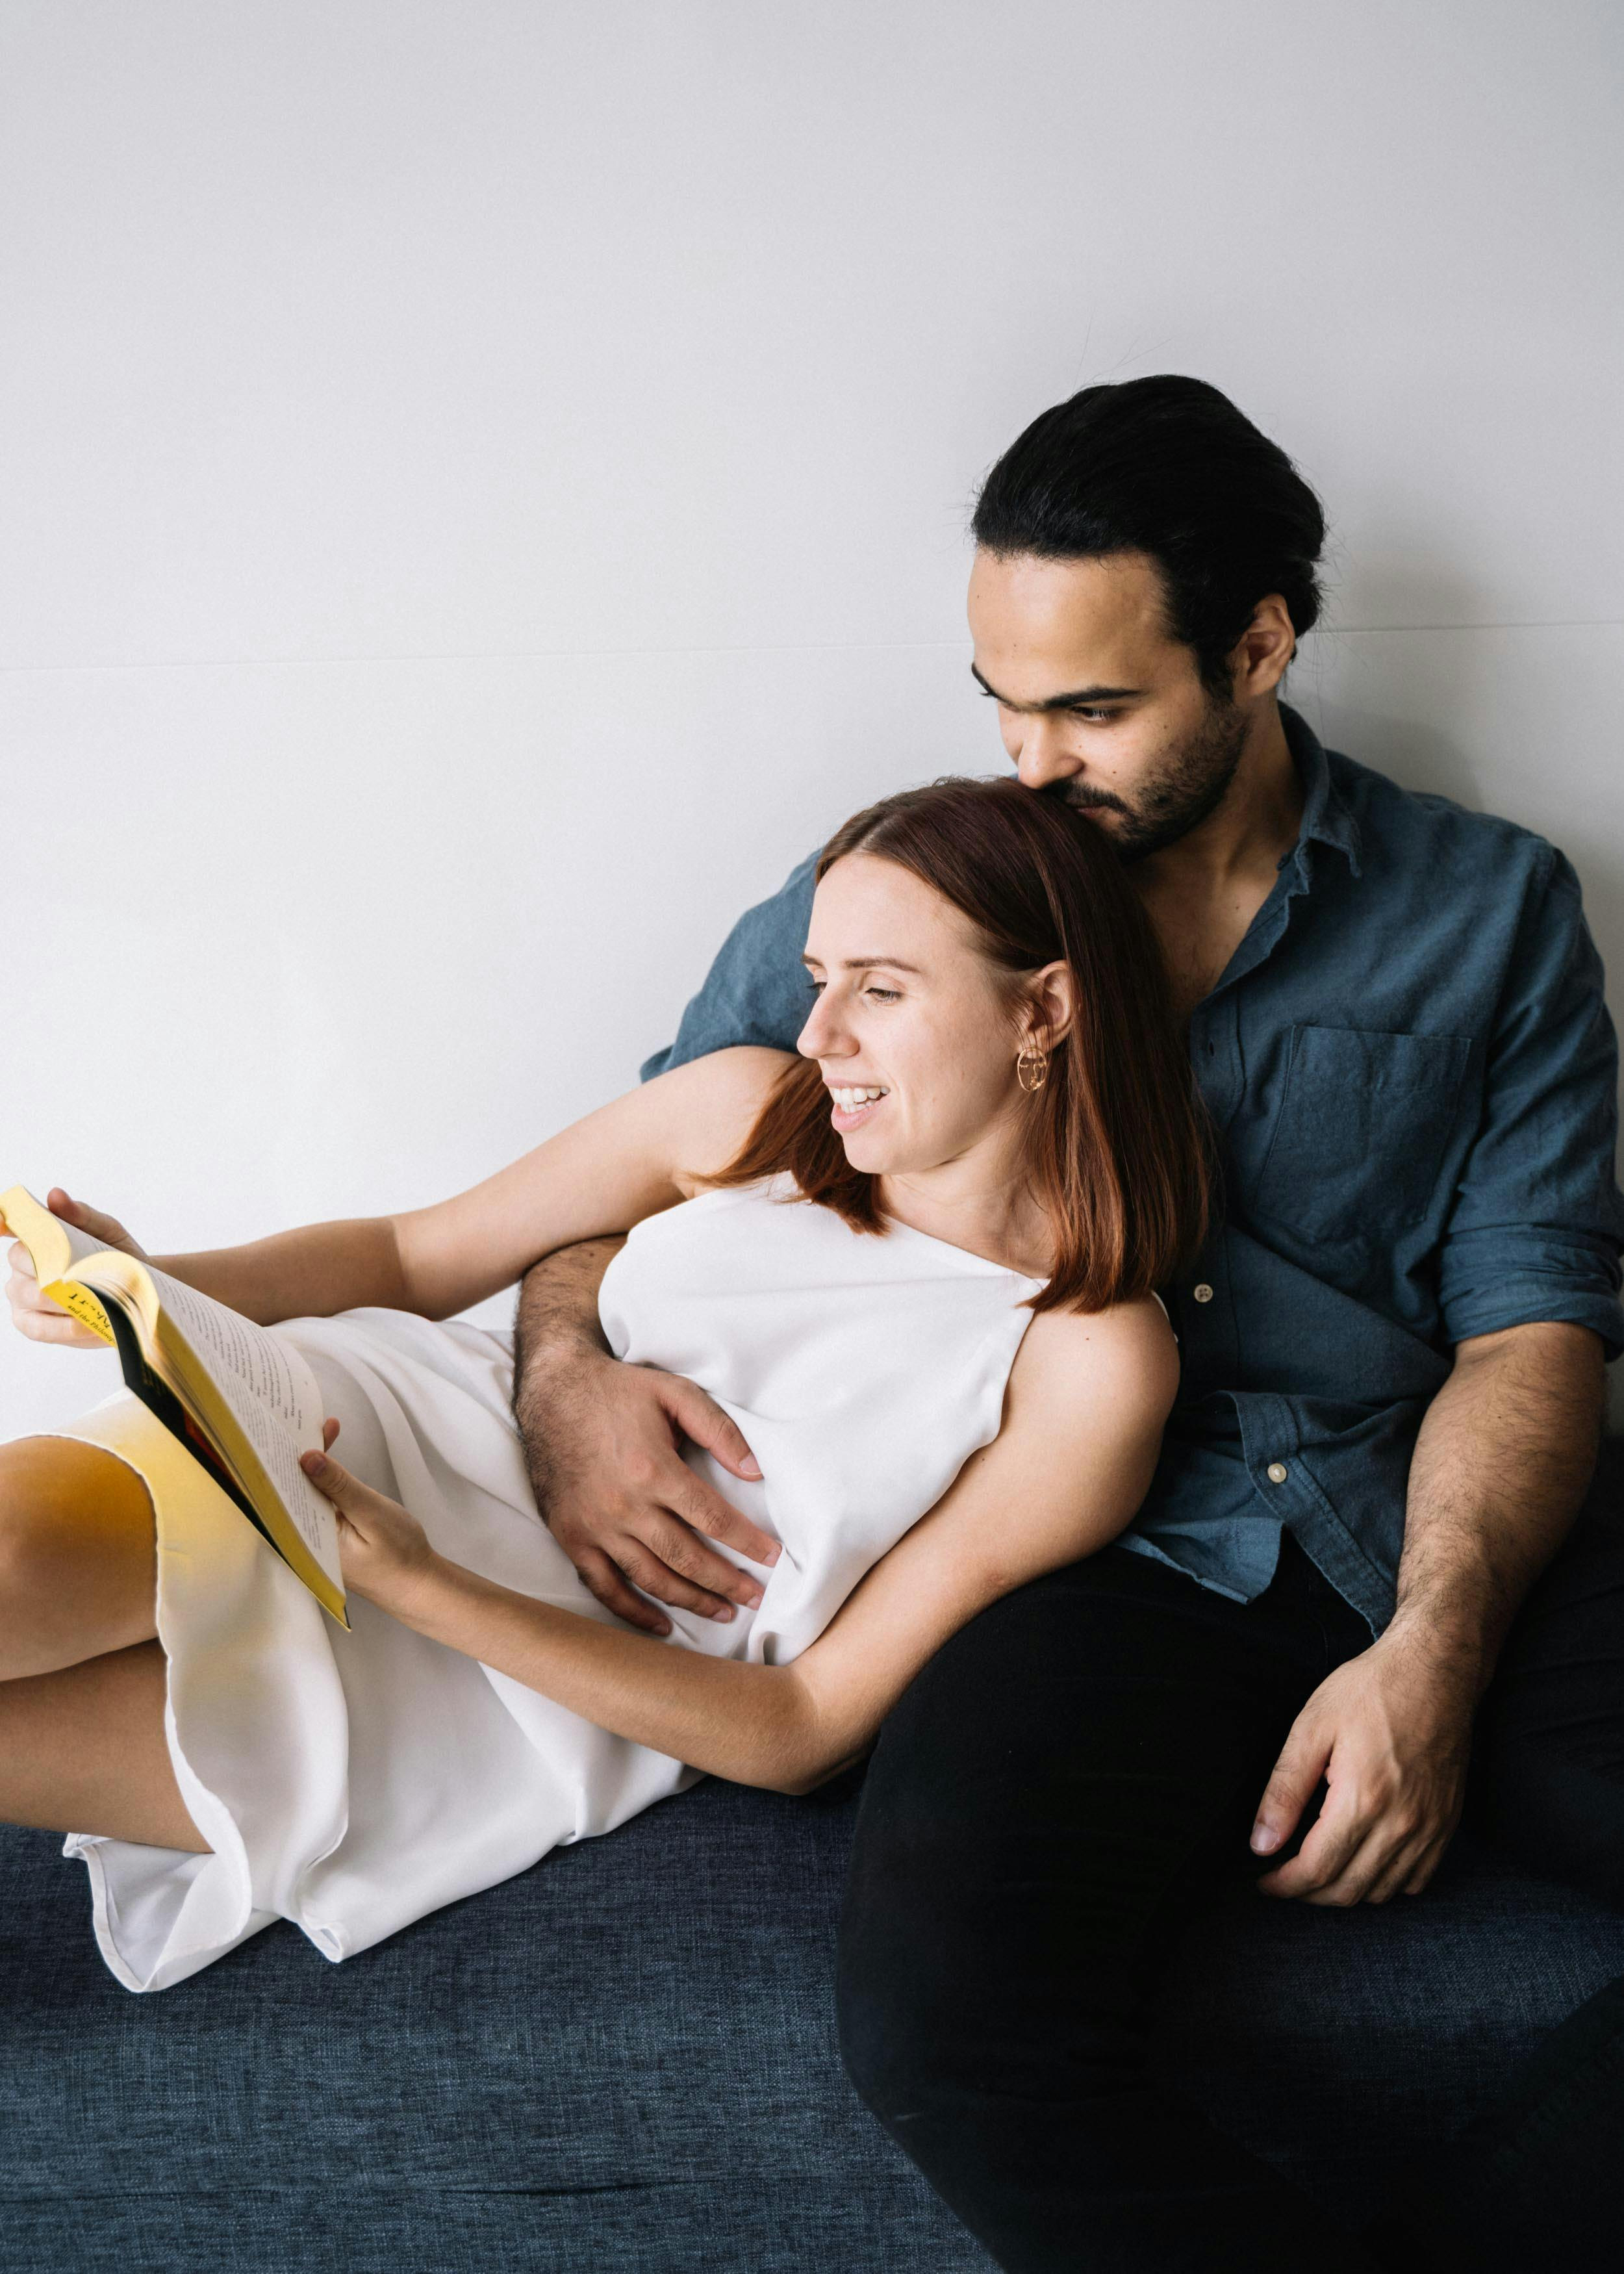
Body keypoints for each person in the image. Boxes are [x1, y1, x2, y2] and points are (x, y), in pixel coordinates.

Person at [508, 376, 1624, 2273]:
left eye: (1093, 710)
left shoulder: (1488, 905)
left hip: (1429, 1497)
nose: (1031, 761)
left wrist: (1433, 1644)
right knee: (945, 2025)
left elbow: (1533, 1326)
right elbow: (618, 1180)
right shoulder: (913, 888)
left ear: (1258, 646)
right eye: (1001, 701)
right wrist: (567, 1380)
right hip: (1090, 1549)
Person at [0, 778, 1205, 2001]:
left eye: (880, 991)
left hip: (507, 1693)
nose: (819, 1035)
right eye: (819, 979)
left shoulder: (1089, 1359)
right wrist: (150, 1281)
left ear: (1042, 1009)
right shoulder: (745, 1110)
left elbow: (797, 1729)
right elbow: (415, 1257)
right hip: (375, 1434)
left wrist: (423, 1586)